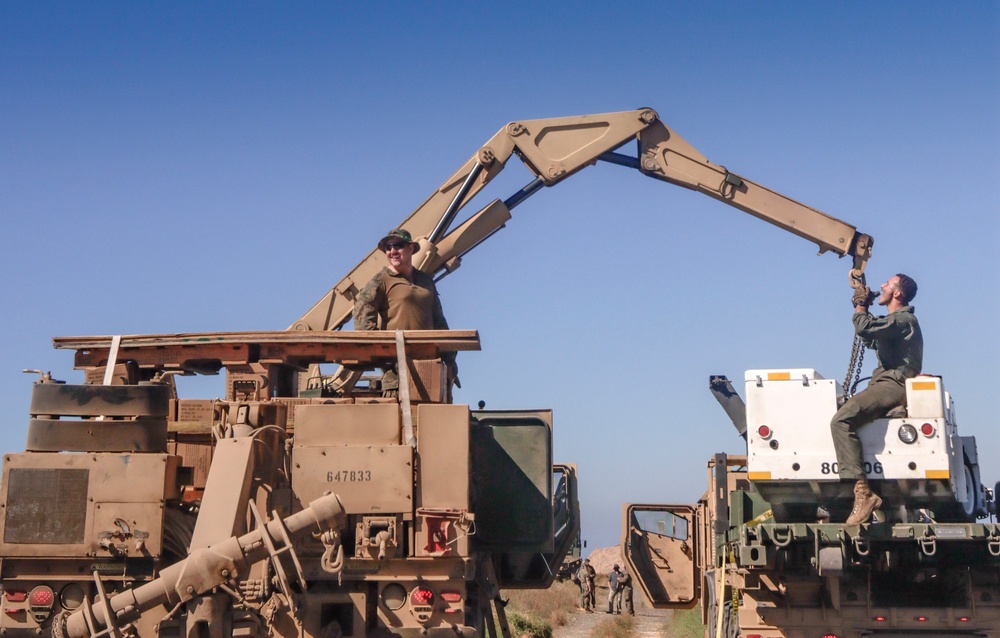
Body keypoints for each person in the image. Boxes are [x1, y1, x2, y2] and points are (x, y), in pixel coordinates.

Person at [831, 274, 922, 525]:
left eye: (888, 284)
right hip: (888, 383)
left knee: (841, 420)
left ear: (898, 294)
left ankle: (864, 493)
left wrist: (861, 306)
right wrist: (864, 308)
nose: (882, 285)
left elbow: (864, 327)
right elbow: (869, 336)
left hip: (893, 384)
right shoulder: (895, 322)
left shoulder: (903, 320)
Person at [353, 229, 458, 396]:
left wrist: (450, 359)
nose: (392, 251)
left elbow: (439, 321)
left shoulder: (425, 280)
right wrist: (383, 352)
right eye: (388, 247)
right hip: (397, 370)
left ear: (411, 248)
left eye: (398, 246)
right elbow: (362, 317)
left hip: (429, 366)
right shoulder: (381, 280)